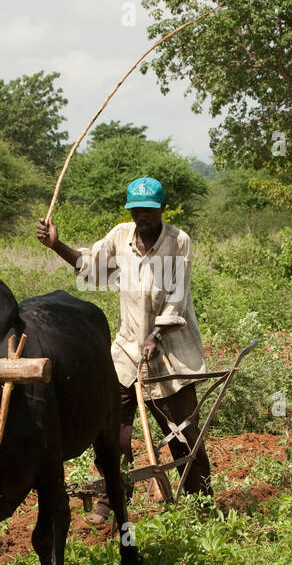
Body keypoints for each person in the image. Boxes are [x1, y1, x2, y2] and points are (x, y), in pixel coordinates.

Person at [37, 176, 212, 522]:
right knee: (113, 431)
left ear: (162, 208)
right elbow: (92, 270)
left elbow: (176, 299)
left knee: (180, 433)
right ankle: (112, 497)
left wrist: (156, 337)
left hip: (171, 352)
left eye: (147, 211)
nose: (141, 218)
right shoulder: (120, 236)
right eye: (135, 211)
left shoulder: (179, 242)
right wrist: (58, 246)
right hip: (126, 352)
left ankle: (202, 500)